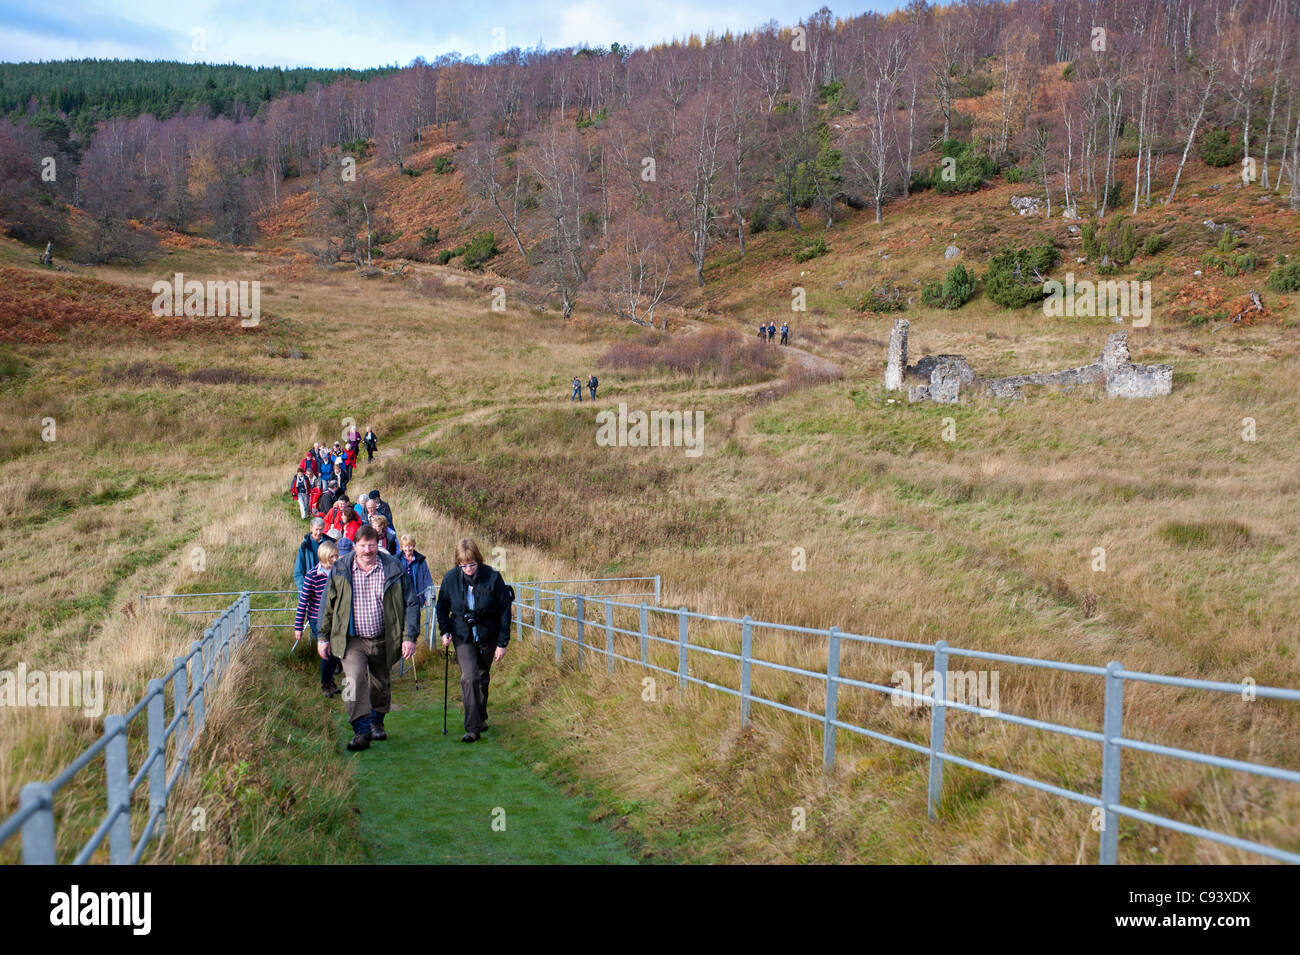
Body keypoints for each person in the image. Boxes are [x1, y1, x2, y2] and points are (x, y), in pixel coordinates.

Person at [317, 526, 420, 751]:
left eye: (371, 545)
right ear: (354, 546)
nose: (367, 550)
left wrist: (409, 636)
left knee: (380, 683)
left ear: (378, 545)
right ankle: (361, 730)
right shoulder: (341, 569)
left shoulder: (393, 568)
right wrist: (322, 636)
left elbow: (411, 603)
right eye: (362, 545)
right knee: (352, 681)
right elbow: (328, 604)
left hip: (385, 637)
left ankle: (376, 721)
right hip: (352, 639)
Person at [435, 538, 513, 743]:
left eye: (472, 564)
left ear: (478, 560)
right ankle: (472, 728)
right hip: (462, 636)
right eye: (464, 565)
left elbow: (505, 610)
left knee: (482, 676)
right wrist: (444, 631)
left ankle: (481, 716)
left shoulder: (493, 578)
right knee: (469, 677)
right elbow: (442, 608)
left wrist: (502, 642)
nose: (468, 569)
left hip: (489, 635)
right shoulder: (450, 579)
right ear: (457, 563)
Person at [293, 540, 343, 697]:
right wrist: (298, 626)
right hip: (317, 619)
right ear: (324, 556)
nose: (336, 559)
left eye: (336, 556)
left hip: (336, 618)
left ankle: (330, 680)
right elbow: (303, 602)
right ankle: (325, 684)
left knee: (336, 651)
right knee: (326, 650)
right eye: (332, 556)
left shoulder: (339, 573)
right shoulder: (312, 575)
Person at [398, 534, 435, 611]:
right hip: (402, 598)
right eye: (405, 546)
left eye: (410, 546)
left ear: (414, 545)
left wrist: (427, 597)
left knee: (414, 622)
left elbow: (427, 579)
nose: (407, 549)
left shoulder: (421, 561)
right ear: (402, 547)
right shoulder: (397, 560)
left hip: (416, 597)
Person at [294, 517, 327, 592]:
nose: (318, 533)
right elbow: (298, 572)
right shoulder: (304, 546)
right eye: (316, 529)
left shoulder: (329, 543)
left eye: (321, 529)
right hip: (309, 589)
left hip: (325, 590)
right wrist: (304, 589)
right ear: (311, 528)